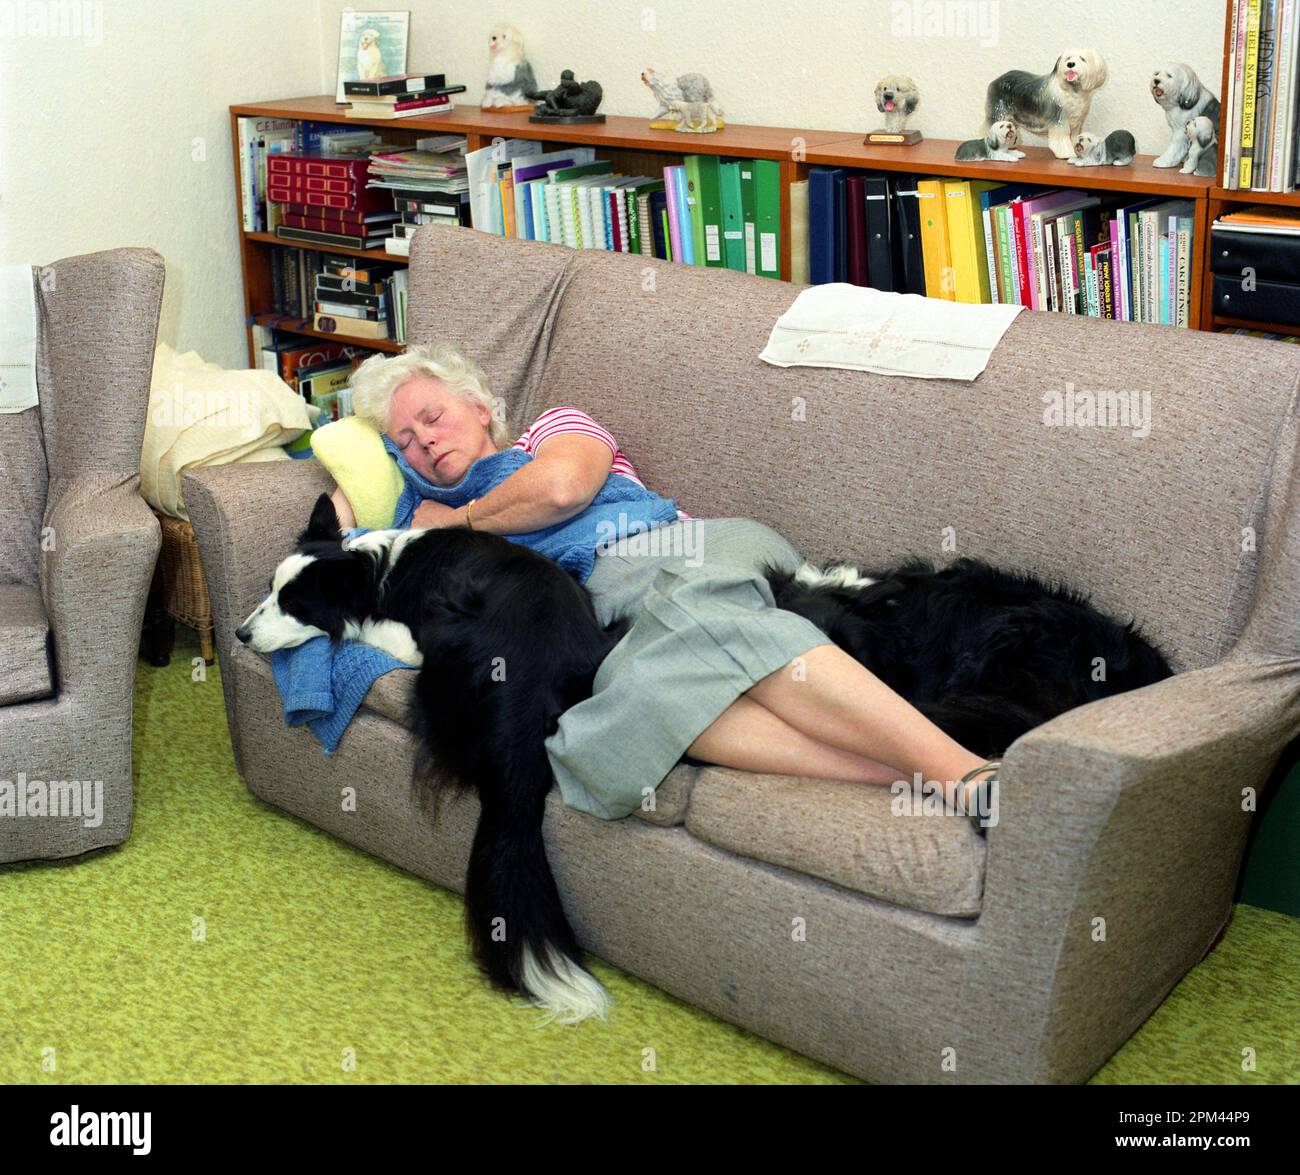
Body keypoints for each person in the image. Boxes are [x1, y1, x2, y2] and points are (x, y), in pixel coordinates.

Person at [336, 343, 1000, 830]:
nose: (424, 439)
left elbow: (564, 489)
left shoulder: (551, 431)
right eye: (406, 442)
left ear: (481, 407)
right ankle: (923, 776)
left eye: (432, 416)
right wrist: (363, 479)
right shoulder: (412, 524)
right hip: (612, 616)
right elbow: (333, 542)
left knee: (699, 612)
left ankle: (957, 768)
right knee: (612, 715)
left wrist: (454, 523)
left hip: (690, 550)